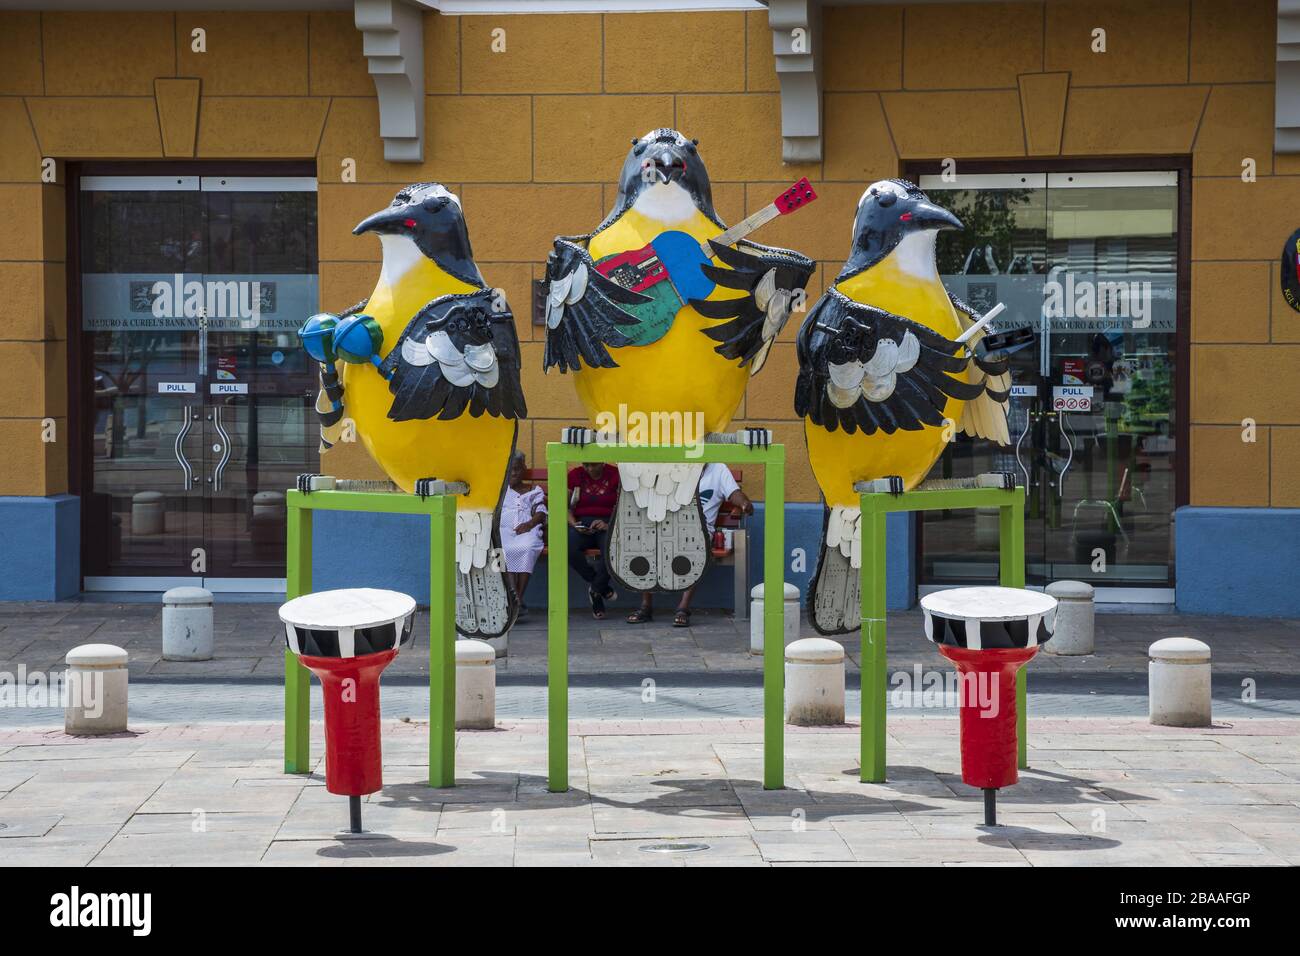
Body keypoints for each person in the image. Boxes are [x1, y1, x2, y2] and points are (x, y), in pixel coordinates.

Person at [626, 462, 752, 627]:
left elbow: (734, 493)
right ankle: (645, 606)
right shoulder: (675, 466)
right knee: (645, 542)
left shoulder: (718, 469)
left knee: (694, 544)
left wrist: (743, 503)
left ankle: (683, 609)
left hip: (699, 528)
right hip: (668, 524)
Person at [568, 461, 619, 619]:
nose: (590, 469)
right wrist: (574, 524)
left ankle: (595, 590)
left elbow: (624, 506)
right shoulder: (575, 475)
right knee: (567, 546)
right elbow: (564, 506)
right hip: (582, 522)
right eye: (586, 465)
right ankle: (600, 586)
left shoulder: (616, 474)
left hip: (607, 522)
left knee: (612, 549)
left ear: (602, 462)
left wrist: (608, 524)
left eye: (594, 465)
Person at [499, 451, 545, 616]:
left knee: (527, 547)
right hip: (503, 531)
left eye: (517, 469)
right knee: (501, 549)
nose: (513, 473)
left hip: (528, 529)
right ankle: (516, 602)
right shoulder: (500, 491)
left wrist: (529, 524)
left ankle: (515, 600)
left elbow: (541, 512)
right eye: (510, 469)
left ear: (524, 469)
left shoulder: (533, 490)